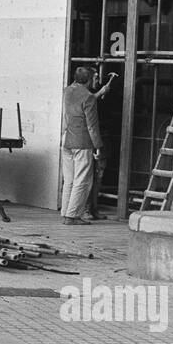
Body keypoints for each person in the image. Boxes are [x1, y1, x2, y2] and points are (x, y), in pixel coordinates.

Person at [61, 66, 104, 226]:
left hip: (67, 140)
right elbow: (92, 126)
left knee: (69, 180)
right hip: (82, 141)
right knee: (82, 180)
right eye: (94, 77)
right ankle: (72, 216)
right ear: (87, 79)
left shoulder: (68, 91)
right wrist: (98, 146)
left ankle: (66, 212)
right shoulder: (89, 97)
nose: (96, 80)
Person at [85, 67, 116, 219]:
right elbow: (85, 105)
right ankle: (85, 209)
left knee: (98, 176)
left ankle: (93, 208)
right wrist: (100, 94)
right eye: (95, 77)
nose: (98, 80)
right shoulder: (83, 94)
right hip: (90, 139)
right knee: (87, 175)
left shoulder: (101, 93)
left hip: (103, 137)